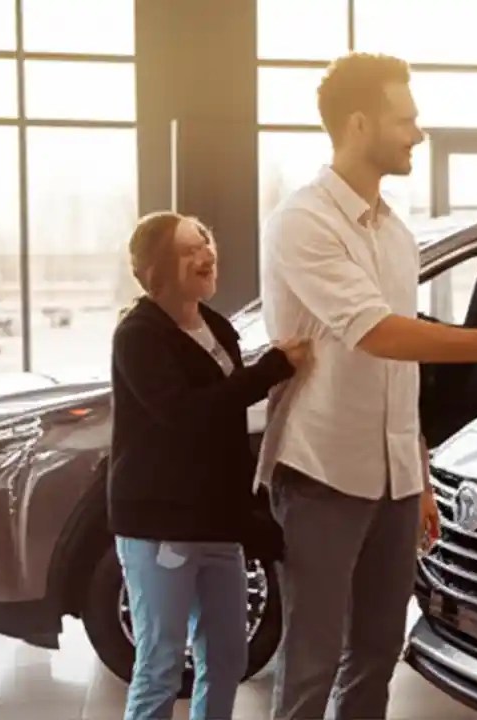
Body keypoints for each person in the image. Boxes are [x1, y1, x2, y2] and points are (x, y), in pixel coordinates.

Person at [257, 51, 477, 720]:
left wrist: (420, 472)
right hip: (321, 474)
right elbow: (378, 333)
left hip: (395, 484)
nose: (417, 133)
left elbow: (396, 369)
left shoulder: (397, 236)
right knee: (311, 663)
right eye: (404, 119)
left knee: (377, 654)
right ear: (357, 124)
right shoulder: (303, 221)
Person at [108, 211, 312, 720]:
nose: (206, 255)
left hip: (218, 525)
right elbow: (186, 413)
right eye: (189, 249)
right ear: (158, 267)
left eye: (207, 240)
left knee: (226, 657)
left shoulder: (217, 326)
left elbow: (223, 417)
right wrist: (270, 370)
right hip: (161, 529)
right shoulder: (139, 335)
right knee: (159, 663)